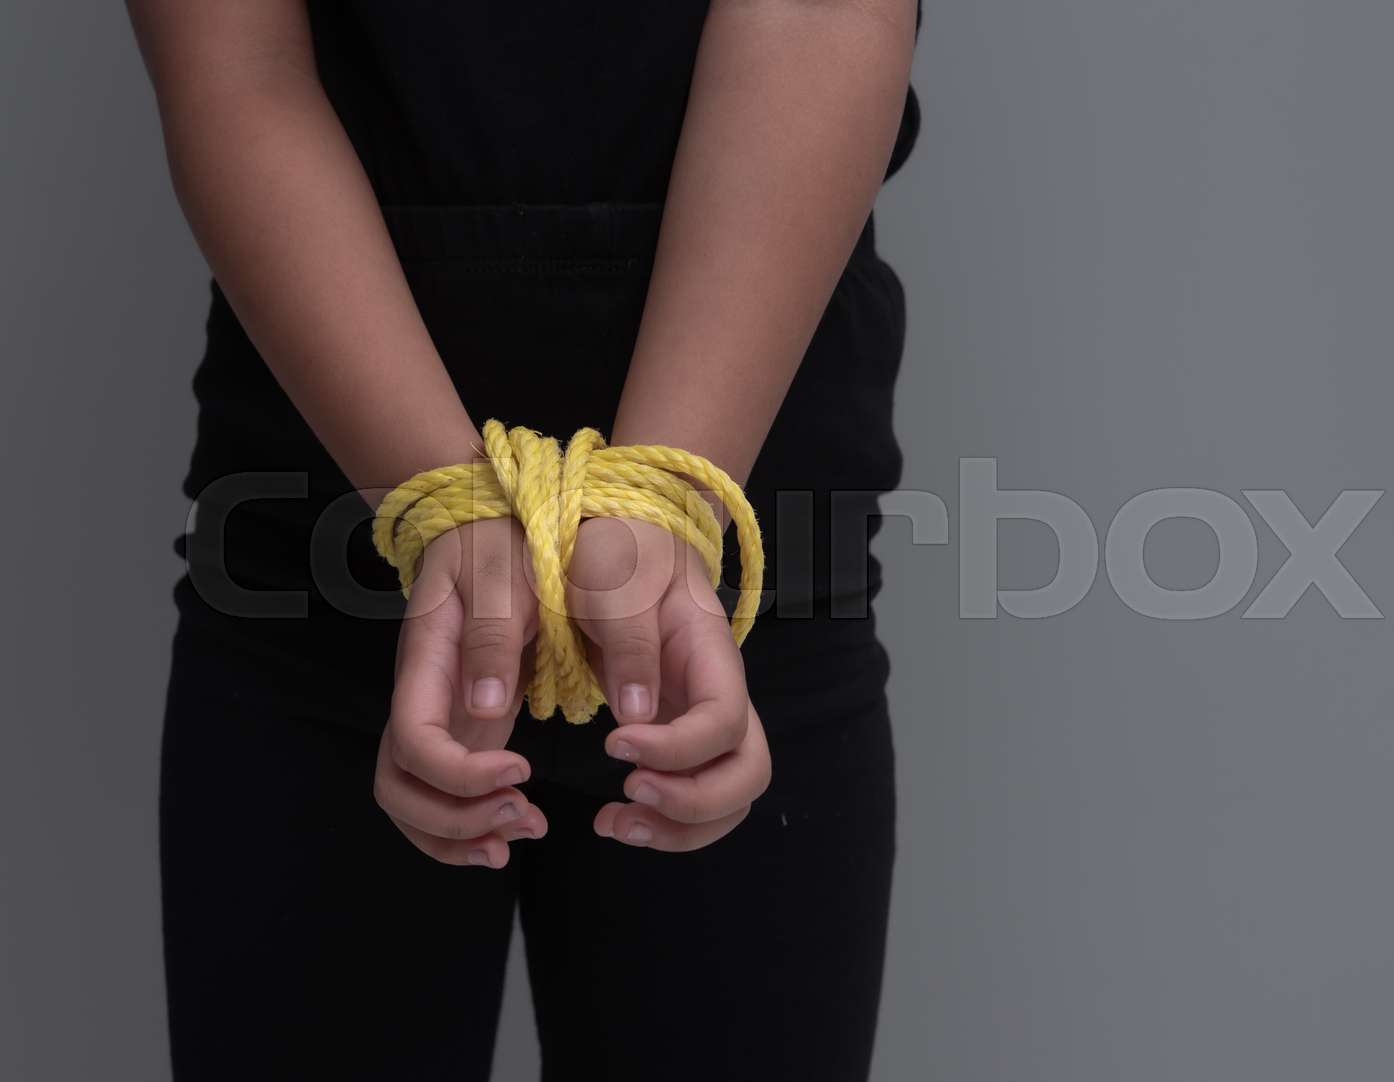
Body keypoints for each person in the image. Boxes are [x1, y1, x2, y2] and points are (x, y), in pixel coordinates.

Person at [128, 2, 921, 1079]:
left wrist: (660, 504)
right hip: (317, 552)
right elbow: (237, 70)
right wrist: (442, 501)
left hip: (739, 580)